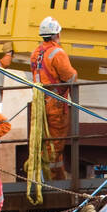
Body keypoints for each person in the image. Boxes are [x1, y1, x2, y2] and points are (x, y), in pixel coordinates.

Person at [30, 17, 76, 180]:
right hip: (55, 105)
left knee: (45, 142)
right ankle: (53, 180)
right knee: (55, 145)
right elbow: (70, 77)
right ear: (57, 34)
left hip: (40, 103)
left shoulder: (35, 53)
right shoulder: (57, 53)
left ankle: (50, 177)